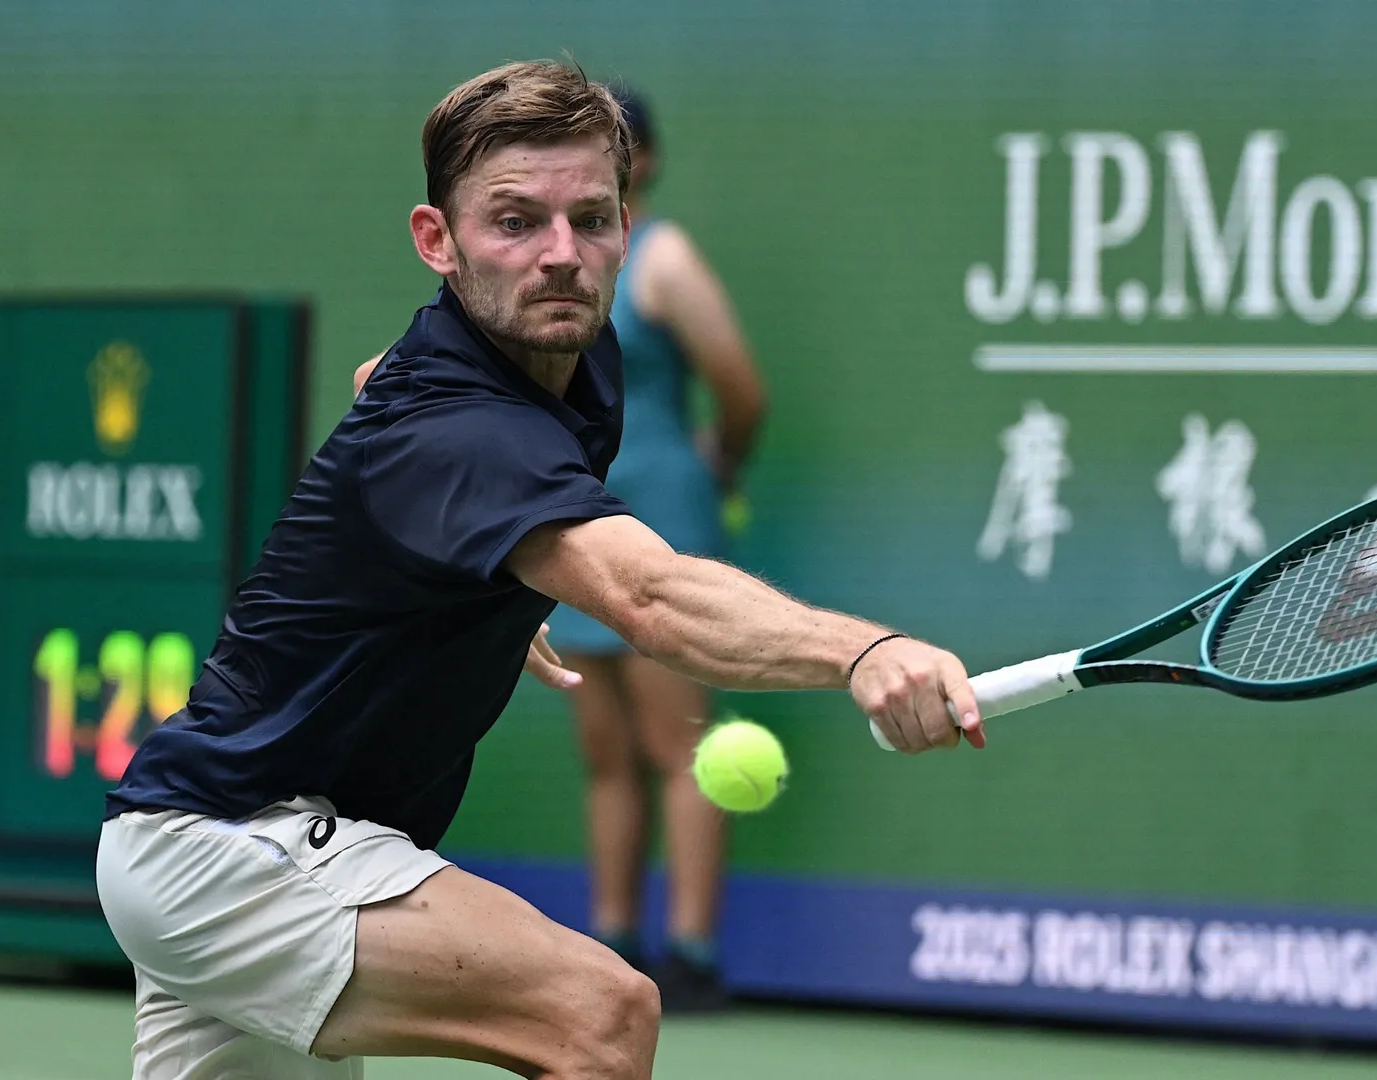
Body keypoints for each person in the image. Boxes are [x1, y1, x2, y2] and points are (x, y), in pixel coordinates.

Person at [97, 60, 983, 1080]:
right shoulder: (462, 430)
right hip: (238, 848)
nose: (561, 255)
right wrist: (864, 650)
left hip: (205, 846)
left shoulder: (565, 347)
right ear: (438, 241)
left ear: (624, 225)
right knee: (601, 1013)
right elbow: (648, 595)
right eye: (515, 222)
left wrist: (480, 576)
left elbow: (373, 379)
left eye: (591, 219)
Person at [537, 83, 765, 1011]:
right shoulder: (553, 261)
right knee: (606, 752)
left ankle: (693, 952)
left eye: (619, 146)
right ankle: (615, 943)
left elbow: (741, 390)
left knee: (684, 748)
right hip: (575, 522)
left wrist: (717, 464)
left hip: (665, 522)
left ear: (649, 162)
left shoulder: (664, 260)